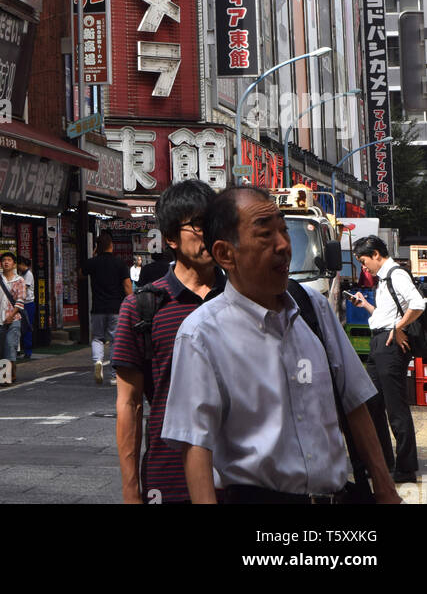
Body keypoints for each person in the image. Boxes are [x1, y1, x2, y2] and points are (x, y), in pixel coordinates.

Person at [162, 187, 401, 505]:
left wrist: (385, 490)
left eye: (283, 231)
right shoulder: (201, 335)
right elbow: (195, 446)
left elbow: (354, 404)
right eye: (265, 235)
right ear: (225, 254)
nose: (283, 246)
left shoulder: (313, 307)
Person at [112, 180, 223, 504]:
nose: (208, 234)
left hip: (241, 474)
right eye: (198, 225)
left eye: (214, 224)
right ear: (171, 238)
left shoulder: (243, 299)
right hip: (169, 478)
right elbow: (129, 404)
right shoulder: (143, 307)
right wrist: (131, 490)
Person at [353, 234, 424, 484]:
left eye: (364, 261)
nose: (364, 267)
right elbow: (385, 315)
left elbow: (418, 303)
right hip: (379, 342)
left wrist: (397, 327)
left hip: (391, 346)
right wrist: (366, 306)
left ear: (376, 255)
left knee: (396, 408)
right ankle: (384, 461)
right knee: (372, 403)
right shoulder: (383, 279)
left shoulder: (396, 274)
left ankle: (405, 468)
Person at [81, 230, 132, 384]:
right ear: (112, 245)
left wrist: (94, 255)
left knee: (97, 338)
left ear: (98, 247)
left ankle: (98, 362)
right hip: (117, 308)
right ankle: (114, 375)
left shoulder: (92, 263)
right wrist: (132, 303)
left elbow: (81, 274)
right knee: (116, 339)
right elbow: (127, 285)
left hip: (97, 308)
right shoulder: (120, 263)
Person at [0, 251, 25, 383]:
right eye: (4, 260)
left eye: (9, 260)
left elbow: (20, 300)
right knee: (2, 348)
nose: (6, 262)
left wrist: (12, 315)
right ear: (1, 263)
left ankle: (6, 376)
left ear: (14, 264)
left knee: (10, 344)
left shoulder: (19, 280)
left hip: (14, 318)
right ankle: (12, 371)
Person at [17, 256, 35, 360]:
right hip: (21, 303)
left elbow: (24, 288)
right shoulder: (21, 274)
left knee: (27, 327)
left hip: (28, 303)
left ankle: (28, 351)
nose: (17, 267)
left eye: (18, 265)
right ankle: (21, 350)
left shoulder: (28, 274)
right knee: (19, 327)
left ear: (22, 264)